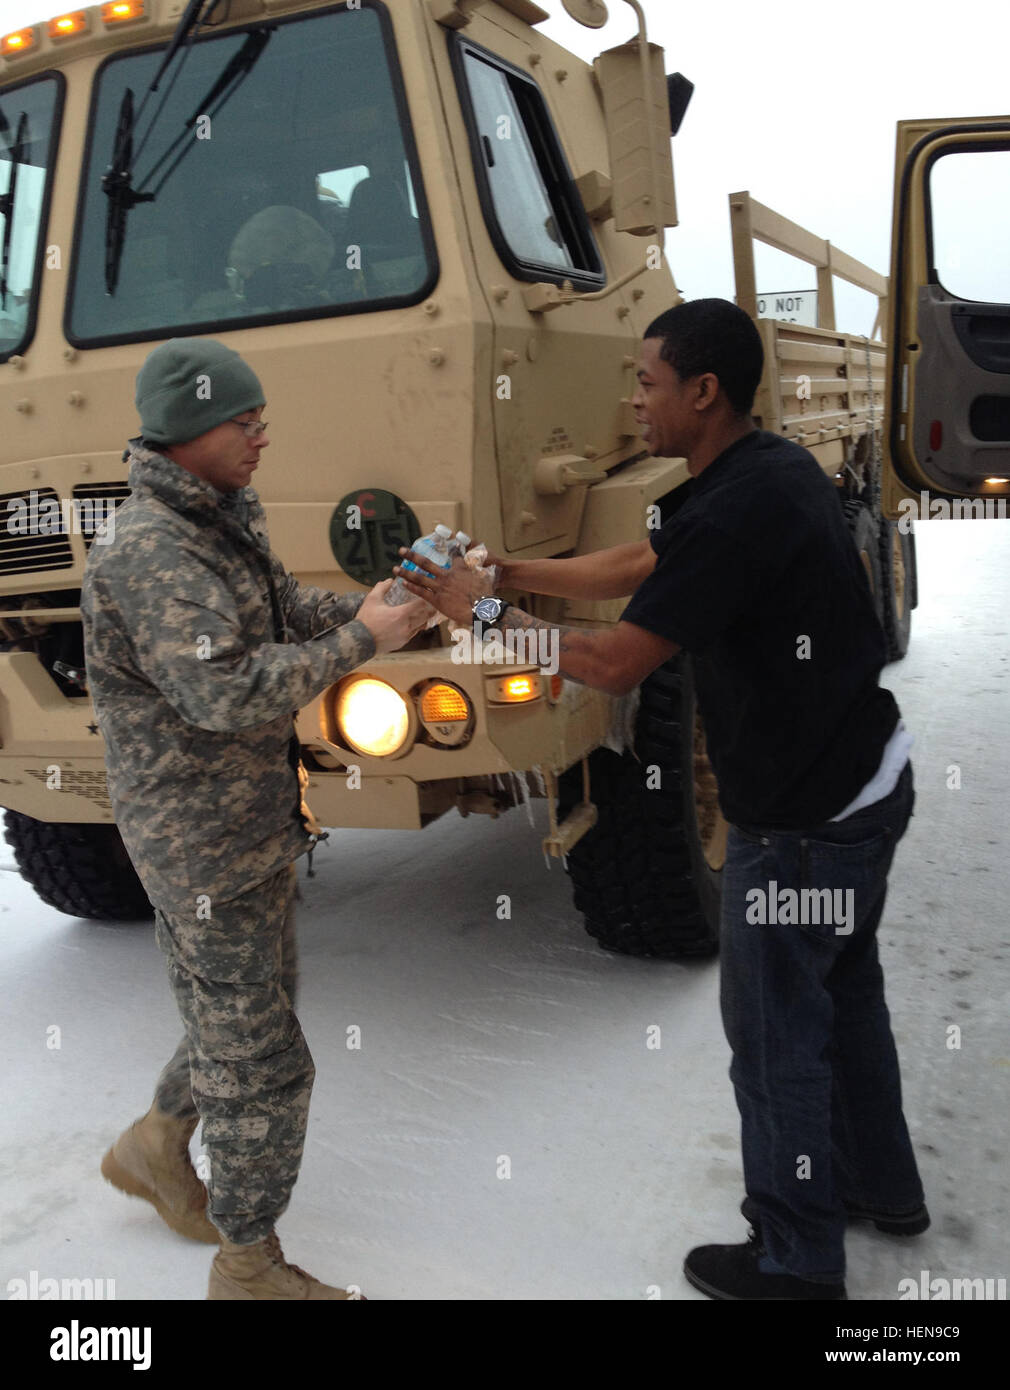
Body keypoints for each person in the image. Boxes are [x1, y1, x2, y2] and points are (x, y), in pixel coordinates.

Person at [393, 297, 927, 1301]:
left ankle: (796, 1259)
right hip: (861, 785)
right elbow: (638, 563)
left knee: (776, 1045)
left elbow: (609, 658)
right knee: (843, 1002)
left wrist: (482, 611)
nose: (632, 399)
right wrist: (508, 568)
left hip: (805, 825)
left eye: (644, 381)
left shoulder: (731, 507)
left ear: (701, 390)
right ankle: (880, 1188)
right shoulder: (751, 472)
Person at [81, 337, 428, 1300]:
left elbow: (270, 616)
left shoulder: (219, 516)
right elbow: (223, 690)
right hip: (201, 851)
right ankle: (249, 1267)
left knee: (244, 1012)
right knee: (264, 1063)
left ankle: (155, 1145)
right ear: (190, 428)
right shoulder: (153, 549)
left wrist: (369, 607)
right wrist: (366, 640)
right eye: (247, 419)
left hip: (248, 828)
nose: (264, 432)